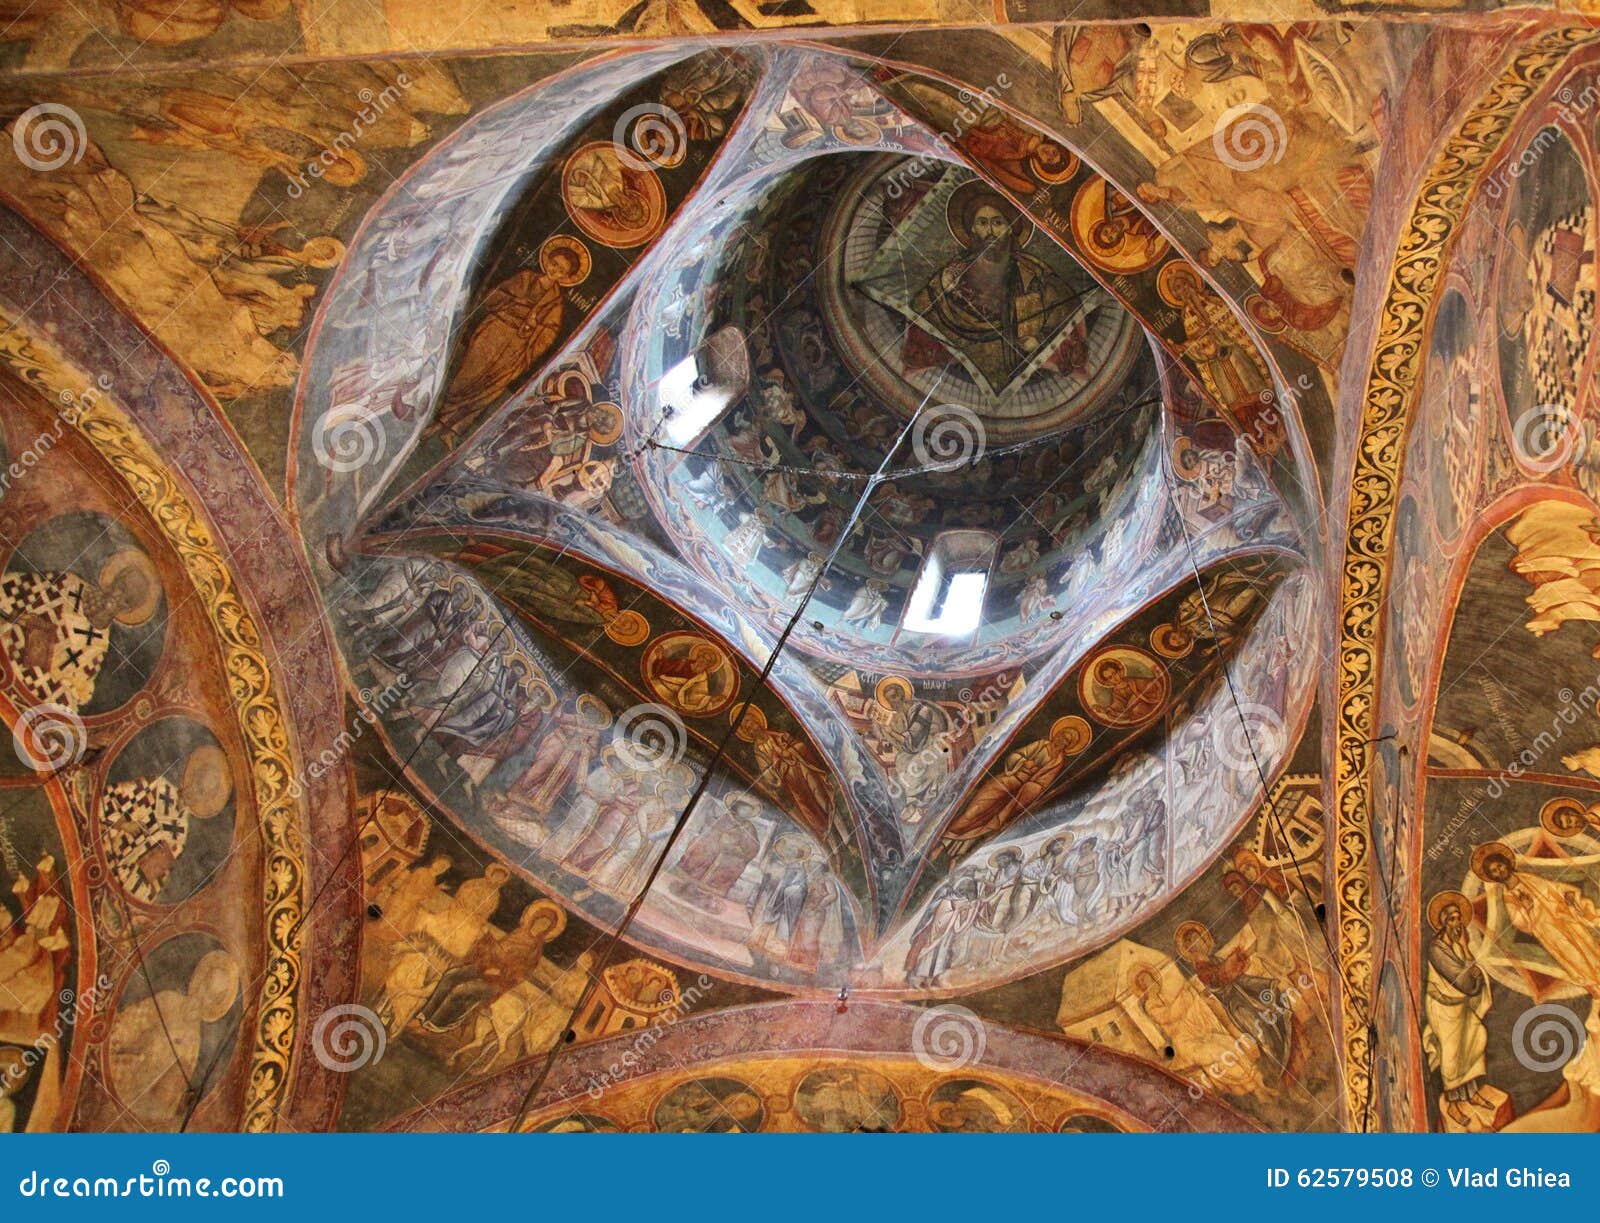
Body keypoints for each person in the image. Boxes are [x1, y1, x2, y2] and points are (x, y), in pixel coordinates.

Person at [0, 548, 160, 711]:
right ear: (113, 579)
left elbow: (75, 690)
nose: (117, 595)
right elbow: (13, 590)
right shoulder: (68, 584)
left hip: (28, 688)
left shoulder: (98, 647)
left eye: (127, 599)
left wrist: (44, 662)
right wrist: (28, 623)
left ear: (128, 610)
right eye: (121, 586)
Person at [1421, 889, 1502, 1131]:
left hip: (1463, 1005)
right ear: (1443, 923)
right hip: (1444, 1008)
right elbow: (1463, 980)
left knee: (1475, 1041)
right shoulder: (1437, 949)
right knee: (1452, 1053)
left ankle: (1472, 1092)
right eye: (1451, 919)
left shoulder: (1459, 943)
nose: (1456, 923)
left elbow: (1472, 970)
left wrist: (1466, 948)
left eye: (1458, 918)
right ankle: (1454, 1101)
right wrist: (1470, 974)